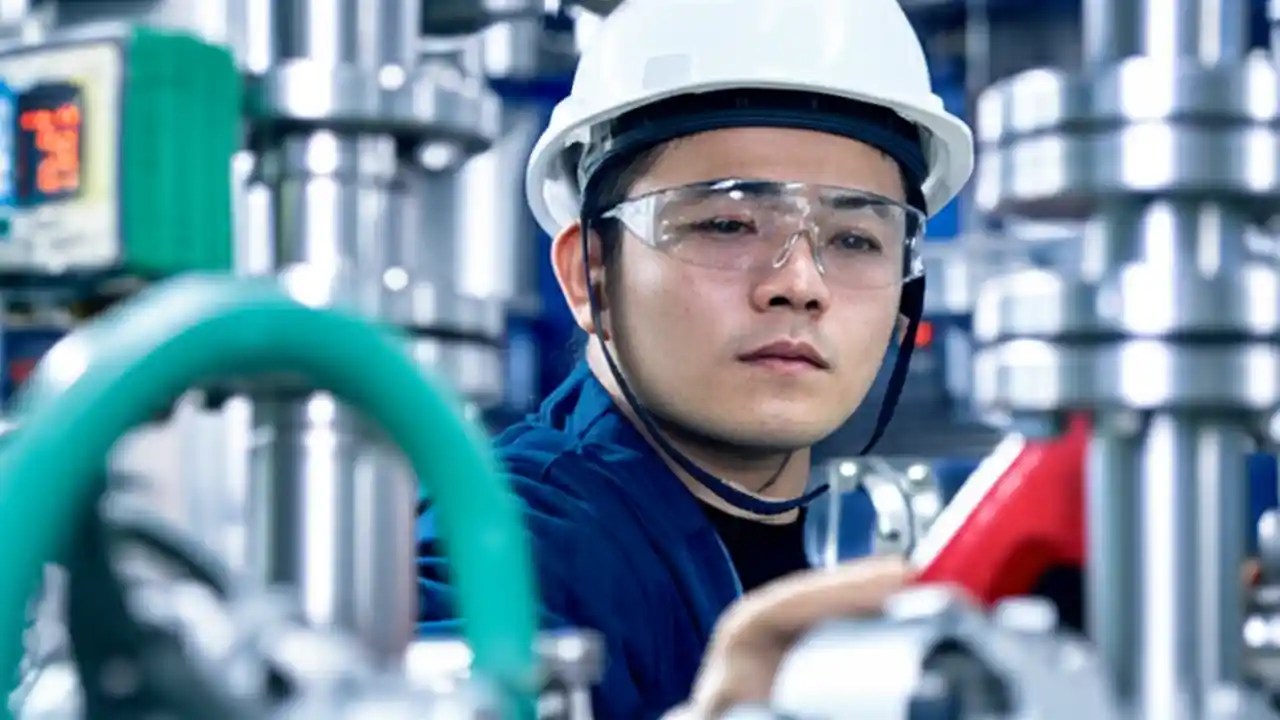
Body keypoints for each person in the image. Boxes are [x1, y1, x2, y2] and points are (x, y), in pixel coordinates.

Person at [417, 0, 974, 716]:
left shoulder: (856, 545)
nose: (799, 284)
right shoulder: (507, 545)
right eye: (727, 223)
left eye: (856, 239)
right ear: (590, 275)